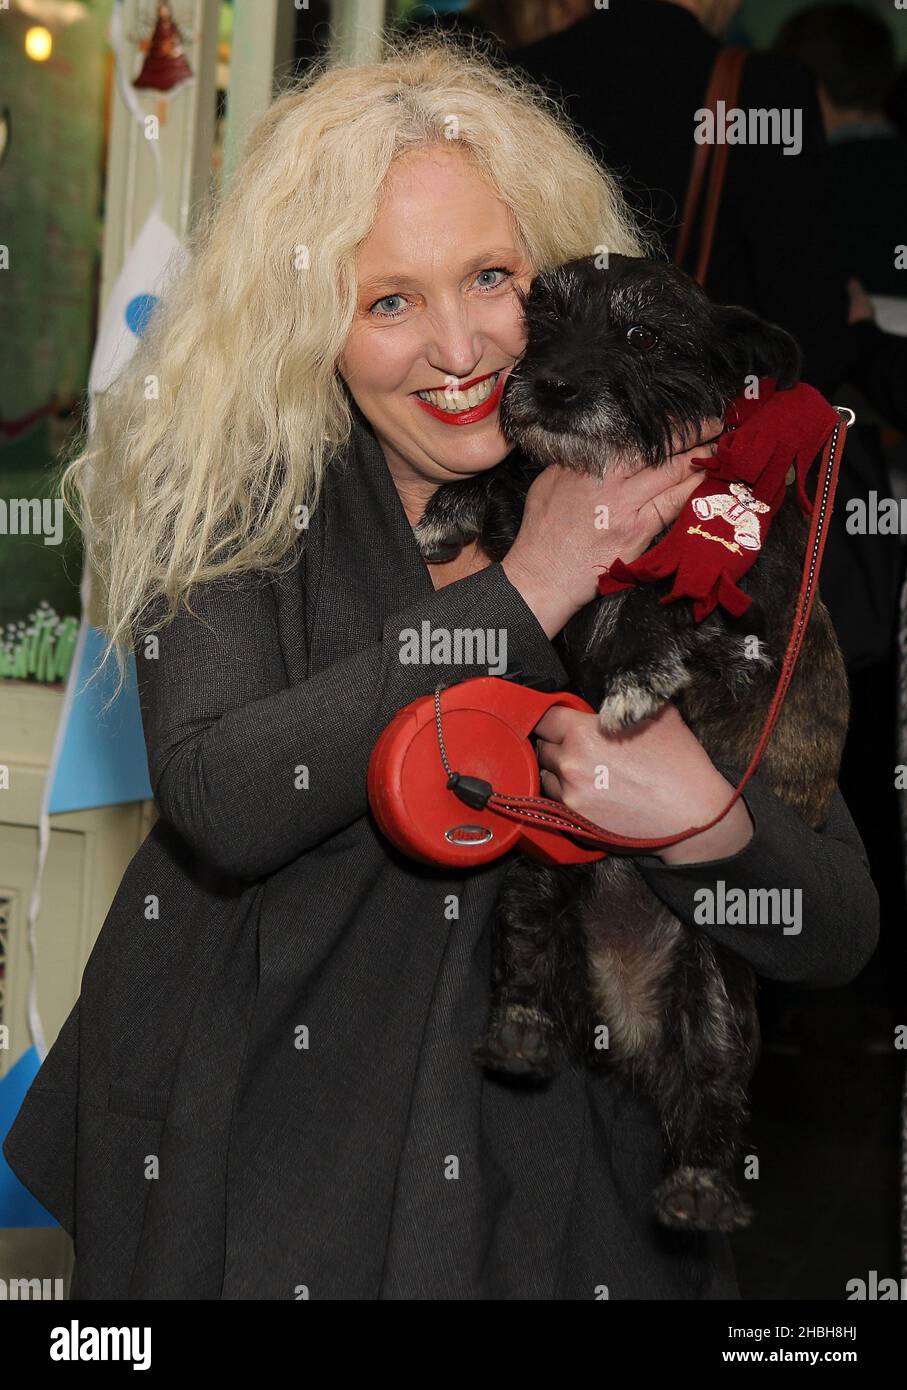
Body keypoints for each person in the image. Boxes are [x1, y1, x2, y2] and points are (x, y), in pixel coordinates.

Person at [3, 35, 878, 1301]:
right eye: (390, 300)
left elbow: (836, 925)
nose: (459, 347)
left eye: (492, 277)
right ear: (313, 319)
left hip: (553, 1186)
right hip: (271, 1148)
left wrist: (702, 824)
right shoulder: (244, 495)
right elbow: (222, 794)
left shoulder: (670, 514)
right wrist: (531, 586)